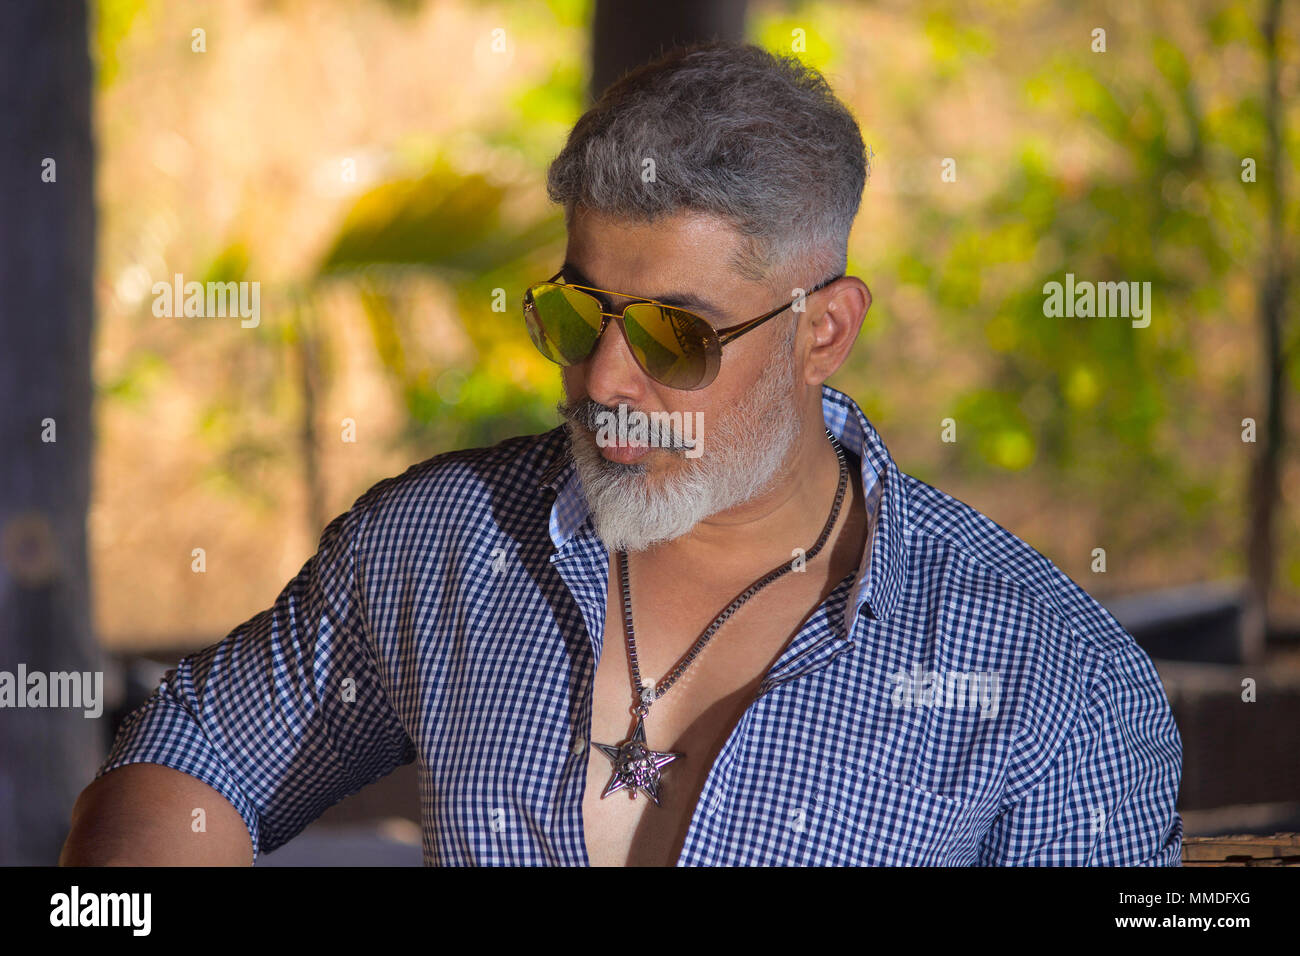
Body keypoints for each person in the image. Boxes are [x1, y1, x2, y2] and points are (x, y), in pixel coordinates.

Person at [61, 40, 1182, 867]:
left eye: (672, 335)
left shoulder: (1052, 677)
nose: (601, 381)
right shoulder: (440, 546)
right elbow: (194, 755)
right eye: (574, 315)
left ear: (823, 331)